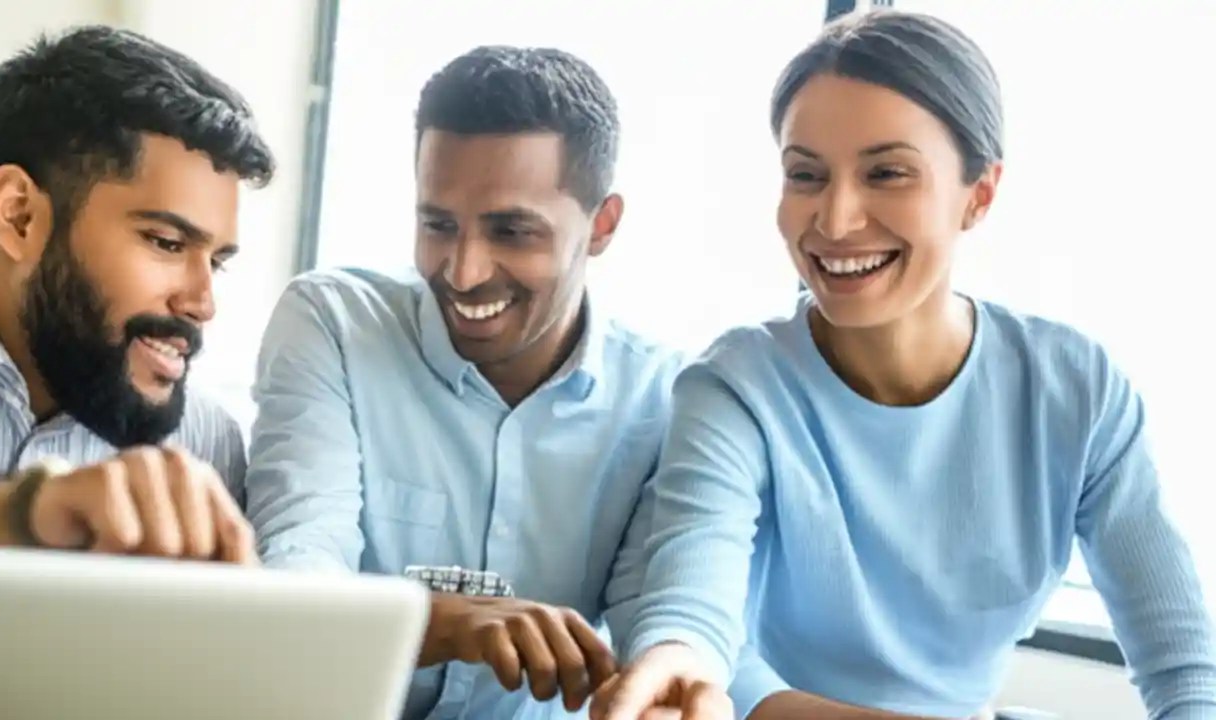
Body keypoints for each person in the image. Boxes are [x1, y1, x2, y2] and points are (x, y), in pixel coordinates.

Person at [595, 9, 1216, 720]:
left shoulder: (1078, 391)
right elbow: (695, 608)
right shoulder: (737, 386)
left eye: (887, 173)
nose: (834, 220)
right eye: (806, 175)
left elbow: (1184, 667)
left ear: (978, 196)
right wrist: (677, 654)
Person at [244, 46, 683, 718]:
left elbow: (645, 629)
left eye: (512, 231)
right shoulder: (331, 324)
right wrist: (441, 622)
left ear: (601, 225)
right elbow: (296, 580)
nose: (463, 270)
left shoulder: (664, 398)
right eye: (437, 224)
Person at [0, 26, 273, 564]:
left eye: (216, 262)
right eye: (166, 242)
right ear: (18, 215)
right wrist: (32, 513)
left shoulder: (205, 446)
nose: (202, 303)